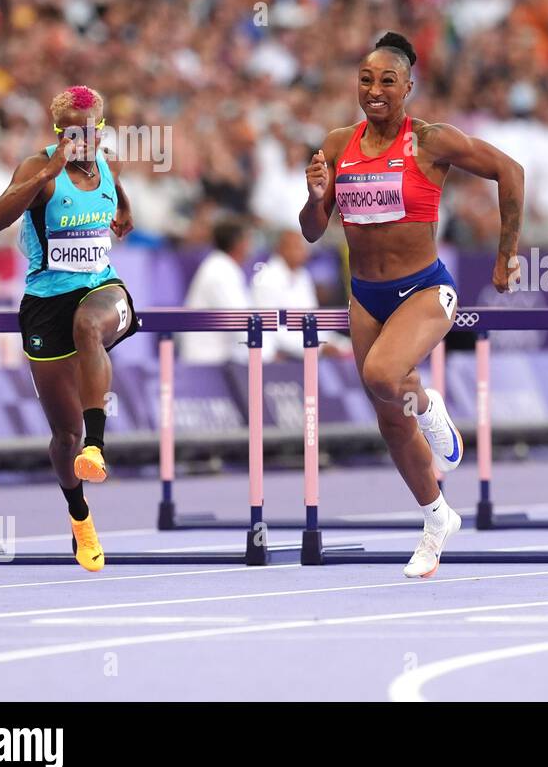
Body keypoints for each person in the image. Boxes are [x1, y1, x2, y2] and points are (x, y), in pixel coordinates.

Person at [300, 32, 524, 579]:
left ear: (408, 88)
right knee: (388, 418)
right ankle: (436, 517)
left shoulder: (431, 140)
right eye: (366, 79)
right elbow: (311, 232)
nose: (374, 90)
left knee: (382, 373)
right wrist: (313, 196)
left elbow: (510, 172)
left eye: (387, 81)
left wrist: (506, 256)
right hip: (366, 296)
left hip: (426, 289)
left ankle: (428, 406)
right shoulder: (337, 144)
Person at [0, 86, 140, 572]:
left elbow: (115, 190)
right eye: (70, 131)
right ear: (57, 131)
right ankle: (80, 518)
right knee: (62, 435)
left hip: (102, 289)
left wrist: (126, 211)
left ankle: (98, 445)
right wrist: (44, 176)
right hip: (44, 303)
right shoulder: (39, 168)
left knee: (89, 327)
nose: (82, 139)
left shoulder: (106, 163)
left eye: (90, 129)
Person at [251, 229, 351, 361]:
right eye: (297, 247)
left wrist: (335, 344)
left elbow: (312, 321)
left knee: (352, 348)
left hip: (309, 347)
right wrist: (318, 347)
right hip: (279, 355)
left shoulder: (303, 276)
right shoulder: (265, 280)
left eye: (303, 247)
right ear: (281, 249)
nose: (303, 252)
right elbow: (271, 329)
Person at [179, 218, 253, 364]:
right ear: (239, 244)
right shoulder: (220, 272)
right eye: (248, 240)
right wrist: (267, 354)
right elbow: (240, 321)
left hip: (217, 359)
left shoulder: (222, 266)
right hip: (204, 363)